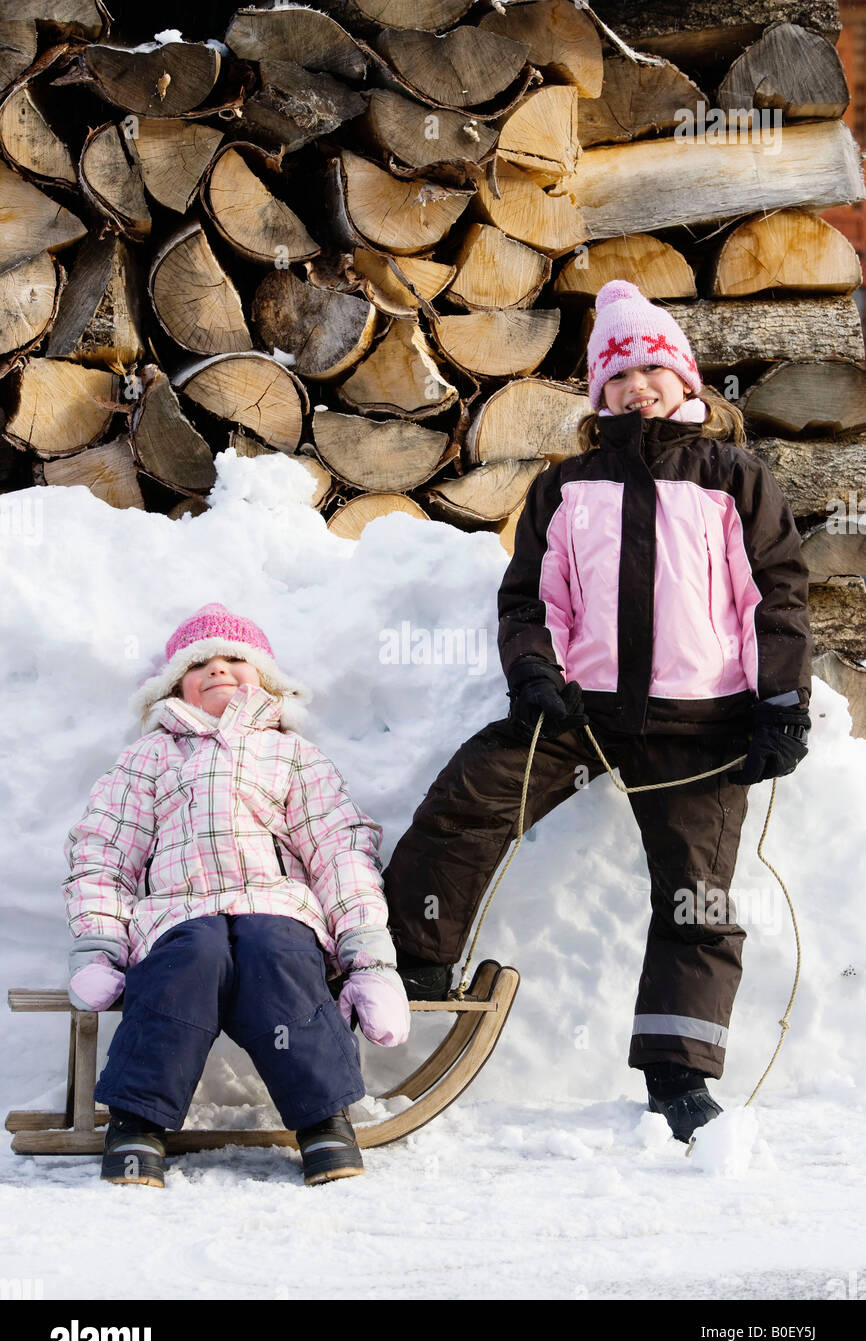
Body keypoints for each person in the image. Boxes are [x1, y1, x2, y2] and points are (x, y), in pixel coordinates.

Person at [386, 279, 812, 1143]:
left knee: (697, 895)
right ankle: (412, 966)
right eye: (618, 378)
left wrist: (781, 703)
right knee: (470, 798)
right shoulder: (566, 487)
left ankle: (678, 1072)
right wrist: (535, 676)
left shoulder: (734, 479)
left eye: (653, 370)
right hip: (581, 710)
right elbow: (529, 603)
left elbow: (777, 597)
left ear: (685, 380)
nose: (637, 388)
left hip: (703, 721)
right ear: (598, 395)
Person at [64, 603, 409, 1187]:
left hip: (277, 906)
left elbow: (338, 850)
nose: (218, 670)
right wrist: (97, 944)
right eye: (199, 664)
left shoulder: (293, 753)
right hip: (177, 912)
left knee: (277, 954)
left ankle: (324, 1116)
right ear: (175, 687)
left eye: (234, 659)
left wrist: (370, 957)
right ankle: (138, 1121)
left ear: (265, 678)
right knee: (186, 961)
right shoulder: (149, 757)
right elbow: (105, 848)